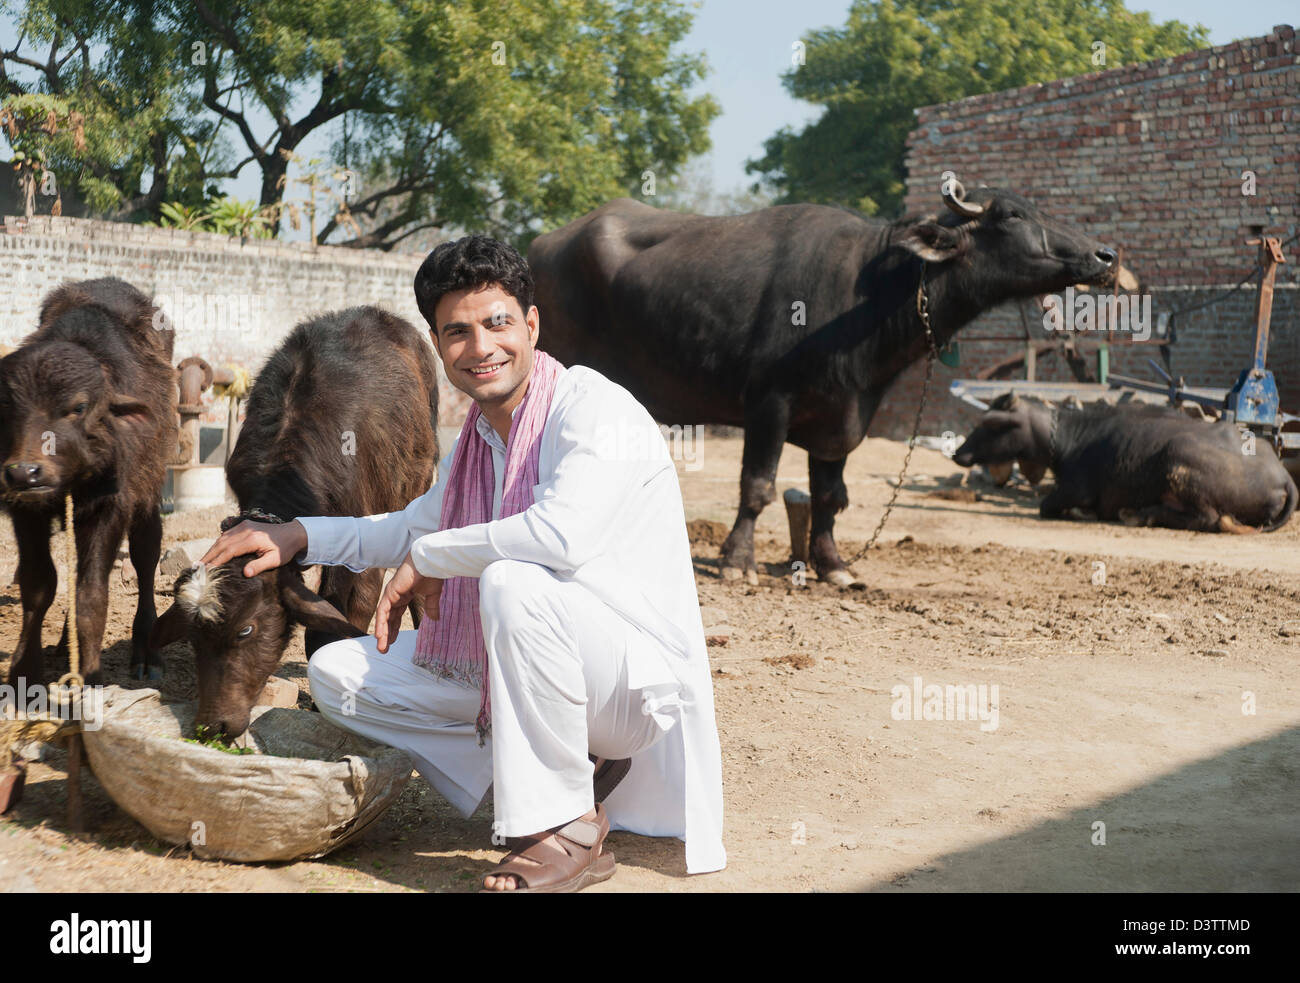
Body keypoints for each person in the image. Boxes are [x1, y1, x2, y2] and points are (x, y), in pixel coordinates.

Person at [202, 234, 726, 892]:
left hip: (628, 689)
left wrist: (433, 554)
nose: (480, 348)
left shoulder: (595, 410)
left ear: (531, 325)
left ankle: (564, 826)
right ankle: (556, 774)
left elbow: (559, 536)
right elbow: (405, 527)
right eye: (457, 331)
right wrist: (296, 535)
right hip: (545, 670)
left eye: (497, 323)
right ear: (438, 343)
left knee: (512, 582)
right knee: (338, 673)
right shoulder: (478, 443)